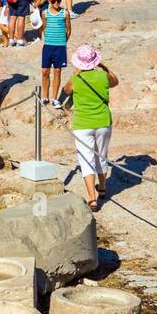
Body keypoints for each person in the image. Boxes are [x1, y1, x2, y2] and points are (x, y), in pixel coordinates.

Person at [63, 43, 118, 212]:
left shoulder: (76, 80)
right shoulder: (103, 77)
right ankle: (102, 188)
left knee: (86, 159)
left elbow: (65, 91)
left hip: (82, 123)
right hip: (102, 121)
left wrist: (77, 73)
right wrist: (104, 66)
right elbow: (115, 81)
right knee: (102, 155)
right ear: (95, 61)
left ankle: (92, 199)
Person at [39, 0, 71, 105]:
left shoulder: (65, 13)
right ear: (49, 1)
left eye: (58, 0)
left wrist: (63, 41)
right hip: (48, 46)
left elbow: (68, 29)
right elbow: (43, 27)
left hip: (60, 47)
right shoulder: (45, 13)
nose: (56, 3)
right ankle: (45, 97)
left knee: (57, 71)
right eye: (53, 1)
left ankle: (54, 98)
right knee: (45, 71)